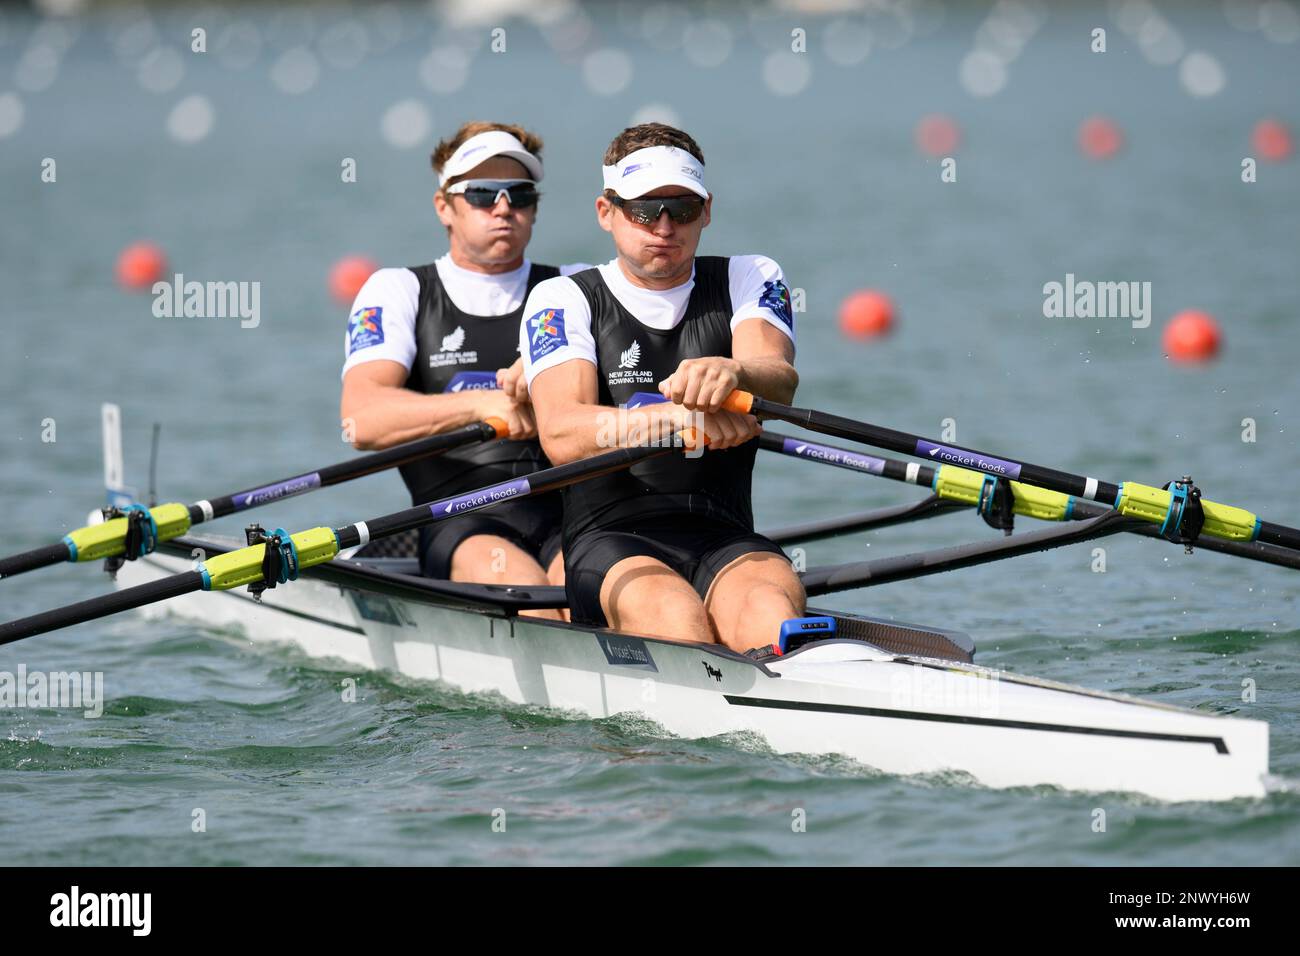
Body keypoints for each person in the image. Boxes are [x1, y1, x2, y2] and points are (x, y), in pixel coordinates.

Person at [520, 123, 805, 654]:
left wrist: (736, 373)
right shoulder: (561, 299)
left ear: (708, 210)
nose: (666, 226)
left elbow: (779, 380)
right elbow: (561, 433)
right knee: (675, 615)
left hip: (723, 535)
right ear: (606, 212)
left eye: (684, 209)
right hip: (610, 543)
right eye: (645, 210)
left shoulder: (750, 276)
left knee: (769, 610)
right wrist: (674, 418)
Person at [340, 121, 587, 619]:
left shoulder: (574, 288)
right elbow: (361, 420)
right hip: (459, 519)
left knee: (587, 589)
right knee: (531, 595)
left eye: (520, 195)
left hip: (570, 514)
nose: (503, 208)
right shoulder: (398, 291)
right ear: (444, 207)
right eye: (481, 194)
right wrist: (484, 403)